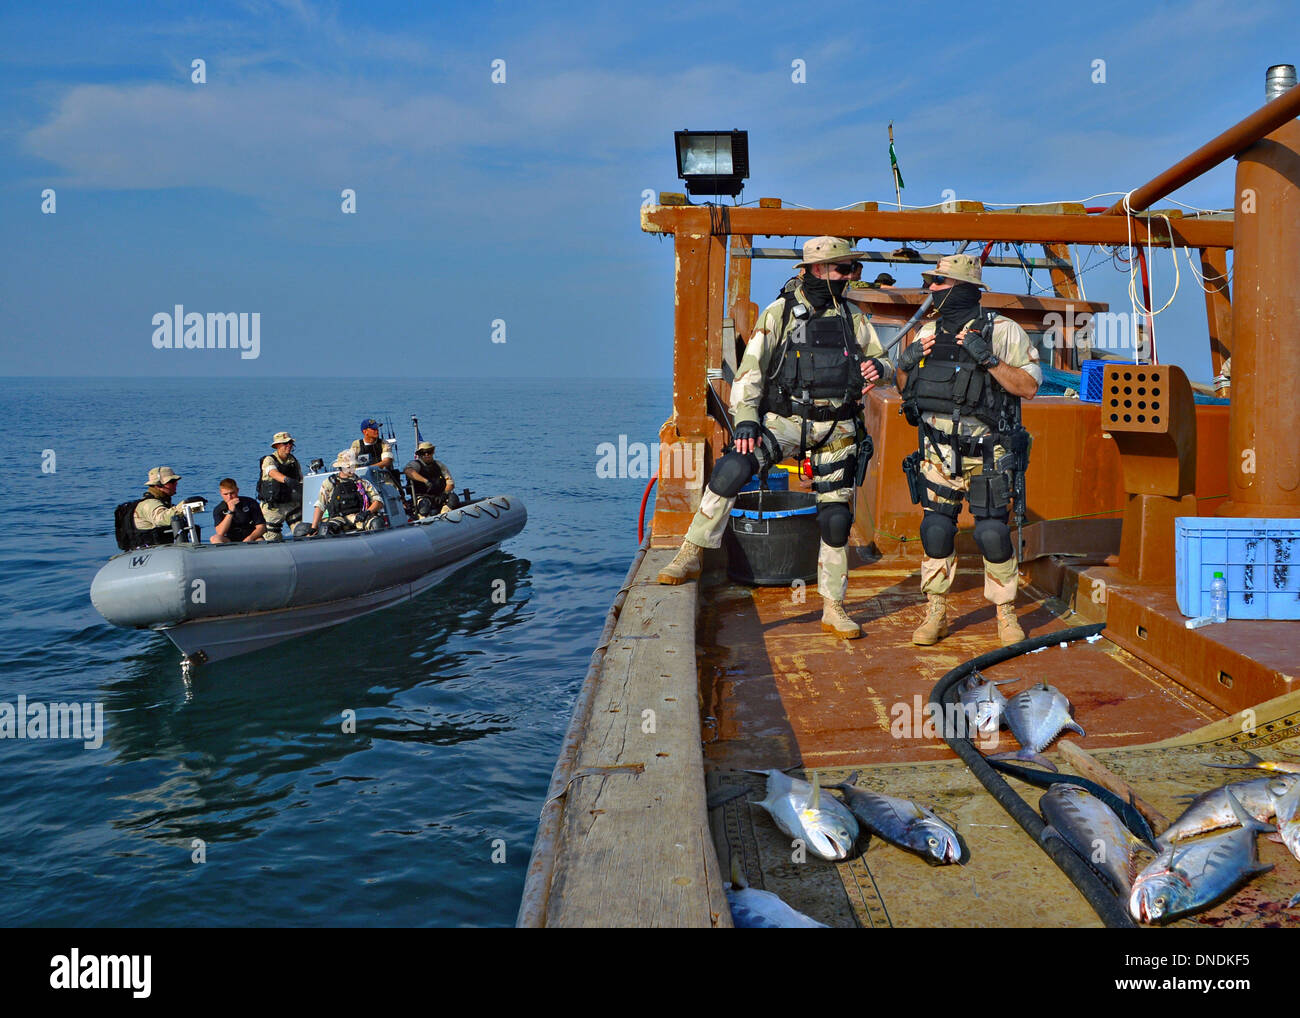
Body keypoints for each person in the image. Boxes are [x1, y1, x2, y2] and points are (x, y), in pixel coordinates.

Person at [657, 236, 893, 639]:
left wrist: (879, 369)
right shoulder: (780, 313)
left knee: (836, 519)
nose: (851, 276)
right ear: (818, 270)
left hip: (837, 429)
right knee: (733, 467)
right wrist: (746, 419)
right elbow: (752, 369)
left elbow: (884, 363)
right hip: (784, 421)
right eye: (844, 269)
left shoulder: (853, 318)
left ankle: (833, 607)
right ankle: (692, 551)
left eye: (854, 269)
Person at [895, 253, 1040, 647]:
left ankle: (1005, 613)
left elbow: (1027, 387)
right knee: (936, 528)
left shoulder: (1003, 331)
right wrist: (905, 362)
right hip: (938, 451)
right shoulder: (926, 332)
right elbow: (905, 385)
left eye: (939, 284)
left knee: (992, 532)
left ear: (961, 289)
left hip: (988, 451)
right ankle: (936, 612)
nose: (931, 290)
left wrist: (988, 358)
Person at [309, 450, 384, 534]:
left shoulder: (362, 483)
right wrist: (314, 527)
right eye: (348, 467)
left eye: (353, 466)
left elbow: (378, 501)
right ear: (341, 467)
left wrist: (367, 512)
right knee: (325, 529)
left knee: (376, 523)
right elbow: (320, 505)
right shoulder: (329, 484)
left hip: (359, 516)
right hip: (338, 519)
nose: (351, 470)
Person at [132, 466, 204, 547]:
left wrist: (194, 507)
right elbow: (163, 519)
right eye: (172, 481)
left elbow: (170, 513)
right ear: (159, 485)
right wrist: (185, 505)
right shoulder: (148, 504)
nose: (176, 483)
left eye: (175, 481)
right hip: (151, 549)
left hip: (164, 548)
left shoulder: (163, 503)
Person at [258, 432, 303, 542]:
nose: (288, 446)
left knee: (303, 531)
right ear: (277, 446)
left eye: (290, 443)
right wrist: (287, 480)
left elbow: (300, 479)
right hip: (273, 508)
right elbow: (272, 472)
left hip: (292, 505)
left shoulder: (294, 461)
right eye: (285, 444)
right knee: (272, 538)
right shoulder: (269, 460)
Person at [404, 441, 458, 514]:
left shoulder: (439, 465)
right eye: (423, 453)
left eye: (429, 452)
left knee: (453, 498)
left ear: (433, 452)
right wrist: (425, 481)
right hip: (422, 497)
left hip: (439, 496)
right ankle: (423, 519)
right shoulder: (415, 464)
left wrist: (444, 493)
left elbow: (450, 483)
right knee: (424, 507)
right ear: (419, 454)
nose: (426, 455)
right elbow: (408, 471)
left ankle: (444, 514)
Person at [210, 479, 267, 543]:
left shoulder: (250, 503)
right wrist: (230, 512)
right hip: (230, 538)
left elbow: (262, 527)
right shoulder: (219, 509)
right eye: (225, 494)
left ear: (237, 490)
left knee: (260, 541)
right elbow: (220, 532)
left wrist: (250, 538)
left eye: (232, 493)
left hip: (251, 536)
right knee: (215, 539)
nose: (229, 497)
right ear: (221, 493)